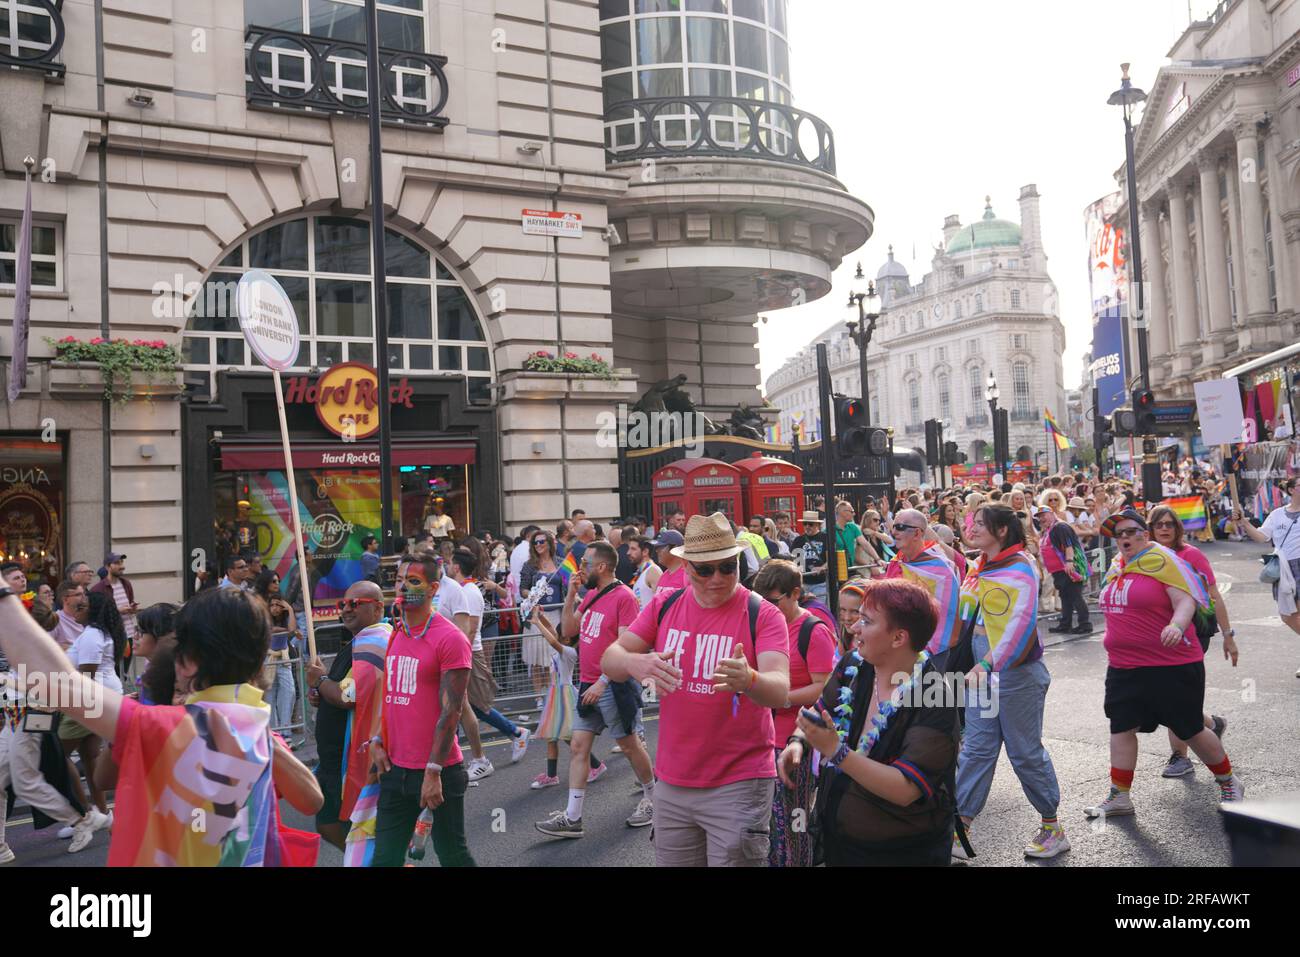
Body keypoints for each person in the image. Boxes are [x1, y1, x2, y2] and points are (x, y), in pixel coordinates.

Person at [0, 584, 323, 866]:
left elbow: (56, 683)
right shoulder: (255, 729)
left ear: (186, 662)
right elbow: (311, 800)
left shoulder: (164, 725)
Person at [603, 513, 790, 866]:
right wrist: (635, 663)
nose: (717, 578)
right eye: (705, 570)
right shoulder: (665, 604)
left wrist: (749, 679)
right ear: (686, 566)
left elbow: (780, 690)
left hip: (739, 784)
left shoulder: (763, 614)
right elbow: (610, 658)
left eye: (727, 567)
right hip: (673, 784)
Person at [779, 578, 960, 866]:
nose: (853, 628)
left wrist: (837, 753)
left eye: (866, 620)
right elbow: (821, 710)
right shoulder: (854, 665)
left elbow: (905, 789)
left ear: (898, 638)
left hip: (905, 854)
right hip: (841, 846)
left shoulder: (935, 695)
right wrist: (799, 741)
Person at [1087, 509, 1245, 818]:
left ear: (1144, 534)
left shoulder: (1162, 561)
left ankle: (1229, 782)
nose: (1125, 538)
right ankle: (1120, 795)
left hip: (1170, 664)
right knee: (1121, 727)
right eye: (1119, 534)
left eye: (1131, 531)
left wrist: (1176, 624)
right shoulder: (1118, 566)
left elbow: (1187, 599)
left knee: (1189, 729)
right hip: (1123, 665)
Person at [954, 504, 1069, 860]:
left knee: (1024, 753)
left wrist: (987, 663)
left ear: (1002, 530)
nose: (971, 529)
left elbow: (1020, 626)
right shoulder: (979, 564)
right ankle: (960, 830)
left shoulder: (1021, 567)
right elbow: (964, 616)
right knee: (975, 749)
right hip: (981, 672)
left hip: (1015, 674)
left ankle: (1052, 827)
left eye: (979, 524)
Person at [535, 541, 655, 837]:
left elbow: (627, 646)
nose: (580, 569)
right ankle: (573, 817)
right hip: (588, 683)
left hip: (612, 686)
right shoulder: (590, 595)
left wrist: (603, 682)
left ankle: (654, 800)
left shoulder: (624, 597)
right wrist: (572, 595)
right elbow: (568, 631)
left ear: (601, 567)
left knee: (629, 746)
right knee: (578, 748)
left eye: (586, 563)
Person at [367, 547, 475, 867]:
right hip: (395, 771)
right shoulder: (397, 633)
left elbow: (451, 712)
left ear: (433, 589)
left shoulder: (450, 639)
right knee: (384, 859)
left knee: (453, 855)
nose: (401, 587)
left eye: (411, 581)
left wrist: (433, 772)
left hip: (436, 771)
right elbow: (388, 694)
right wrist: (376, 740)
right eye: (399, 580)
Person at [754, 560, 835, 867]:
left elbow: (823, 688)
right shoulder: (762, 624)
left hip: (796, 740)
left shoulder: (814, 631)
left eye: (773, 601)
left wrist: (779, 697)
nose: (766, 607)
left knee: (794, 820)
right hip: (761, 738)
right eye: (761, 601)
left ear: (796, 593)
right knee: (768, 822)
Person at [1146, 504, 1237, 778]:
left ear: (1177, 528)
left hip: (1193, 634)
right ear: (1150, 529)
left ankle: (1179, 757)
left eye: (1169, 524)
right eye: (1158, 524)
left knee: (1175, 695)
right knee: (1169, 695)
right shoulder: (1145, 556)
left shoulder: (1191, 555)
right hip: (1158, 634)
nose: (1164, 529)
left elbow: (1214, 595)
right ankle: (1210, 723)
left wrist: (1229, 636)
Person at [306, 580, 391, 860]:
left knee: (349, 824)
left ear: (378, 608)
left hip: (354, 757)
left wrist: (319, 680)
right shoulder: (359, 641)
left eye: (355, 604)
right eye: (343, 604)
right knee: (329, 822)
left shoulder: (375, 641)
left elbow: (348, 695)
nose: (346, 609)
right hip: (334, 758)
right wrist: (322, 689)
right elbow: (342, 689)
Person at [447, 549, 531, 766]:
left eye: (449, 563)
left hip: (469, 655)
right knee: (463, 706)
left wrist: (458, 659)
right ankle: (513, 732)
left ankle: (514, 733)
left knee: (473, 706)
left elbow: (471, 629)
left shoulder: (470, 592)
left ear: (456, 567)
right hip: (464, 655)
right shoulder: (461, 589)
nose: (446, 567)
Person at [882, 509, 963, 667]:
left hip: (931, 651)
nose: (894, 532)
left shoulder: (941, 567)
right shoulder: (896, 562)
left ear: (917, 533)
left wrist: (926, 647)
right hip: (898, 646)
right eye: (893, 526)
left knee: (927, 692)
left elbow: (950, 613)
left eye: (900, 527)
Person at [1234, 477, 1300, 649]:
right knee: (1288, 615)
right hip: (1284, 568)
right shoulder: (1277, 514)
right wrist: (1244, 523)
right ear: (1292, 490)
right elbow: (1262, 537)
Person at [519, 529, 566, 710]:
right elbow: (522, 589)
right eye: (535, 543)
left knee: (552, 658)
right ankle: (539, 696)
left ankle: (551, 694)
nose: (538, 545)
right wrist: (532, 593)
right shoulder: (529, 565)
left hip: (555, 615)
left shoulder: (560, 564)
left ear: (549, 544)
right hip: (536, 616)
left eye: (541, 542)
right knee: (537, 659)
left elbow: (567, 586)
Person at [253, 569, 300, 738]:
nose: (276, 584)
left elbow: (292, 630)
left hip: (284, 655)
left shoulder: (282, 605)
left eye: (278, 581)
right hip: (266, 656)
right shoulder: (258, 603)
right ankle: (273, 731)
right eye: (273, 581)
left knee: (290, 691)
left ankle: (285, 730)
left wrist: (288, 610)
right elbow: (264, 628)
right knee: (269, 693)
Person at [1036, 506, 1092, 635]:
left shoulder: (1060, 527)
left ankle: (1085, 624)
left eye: (1044, 515)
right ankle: (1065, 624)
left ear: (1052, 514)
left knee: (1075, 596)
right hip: (1059, 570)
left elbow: (1068, 545)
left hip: (1068, 568)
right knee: (1065, 596)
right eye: (1039, 516)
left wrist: (1069, 562)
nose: (1041, 518)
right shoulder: (1050, 529)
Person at [90, 551, 138, 678]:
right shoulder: (98, 589)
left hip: (128, 633)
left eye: (121, 562)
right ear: (107, 567)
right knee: (113, 672)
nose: (121, 566)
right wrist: (119, 611)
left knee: (124, 672)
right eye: (117, 563)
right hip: (111, 636)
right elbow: (97, 615)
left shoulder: (126, 583)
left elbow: (129, 602)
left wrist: (132, 608)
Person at [792, 511, 828, 599]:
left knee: (818, 609)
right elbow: (796, 561)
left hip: (820, 583)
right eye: (805, 524)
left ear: (817, 525)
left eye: (810, 524)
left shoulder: (825, 538)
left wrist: (822, 567)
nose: (807, 527)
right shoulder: (798, 540)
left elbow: (831, 558)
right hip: (804, 583)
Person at [626, 534, 661, 610]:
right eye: (629, 549)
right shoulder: (641, 571)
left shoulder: (653, 571)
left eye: (633, 549)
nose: (628, 553)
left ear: (645, 551)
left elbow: (660, 603)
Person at [652, 529, 687, 594]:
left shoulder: (687, 576)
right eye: (657, 548)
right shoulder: (664, 575)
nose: (657, 551)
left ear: (675, 548)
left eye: (661, 547)